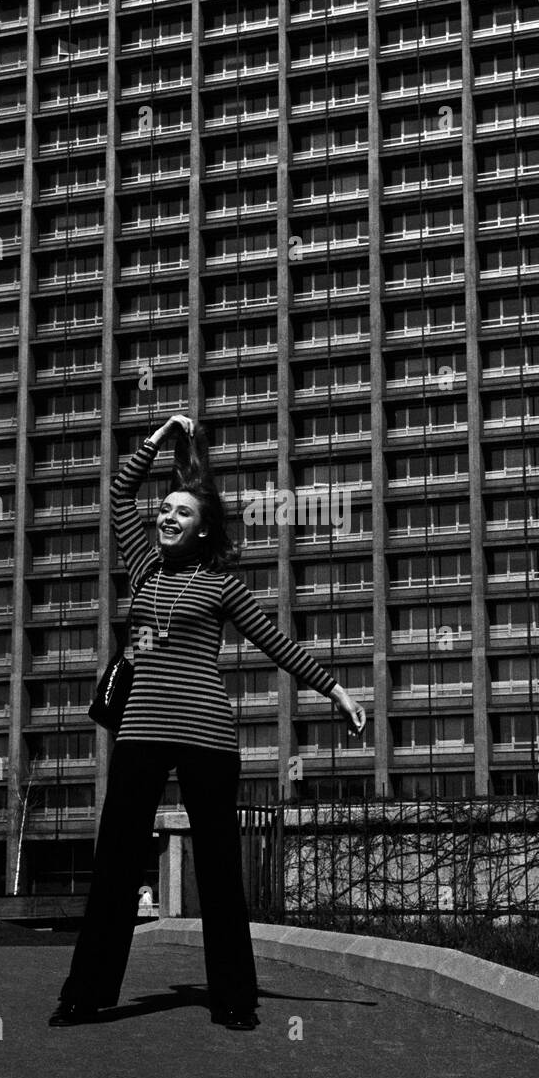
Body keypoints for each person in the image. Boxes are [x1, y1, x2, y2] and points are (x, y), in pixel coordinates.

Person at [50, 414, 365, 1029]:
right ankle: (85, 994)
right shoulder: (144, 570)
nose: (166, 517)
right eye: (164, 509)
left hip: (206, 736)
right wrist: (161, 438)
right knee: (115, 861)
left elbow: (279, 643)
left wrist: (335, 691)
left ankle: (232, 998)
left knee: (220, 867)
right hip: (140, 731)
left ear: (202, 531)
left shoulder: (221, 587)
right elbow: (118, 493)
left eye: (182, 513)